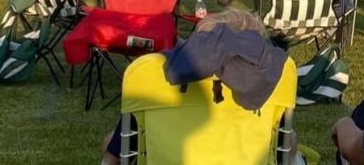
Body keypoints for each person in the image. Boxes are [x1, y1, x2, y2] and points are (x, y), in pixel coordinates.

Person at [100, 10, 287, 165]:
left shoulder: (154, 78)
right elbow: (284, 148)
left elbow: (113, 156)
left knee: (112, 142)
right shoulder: (272, 79)